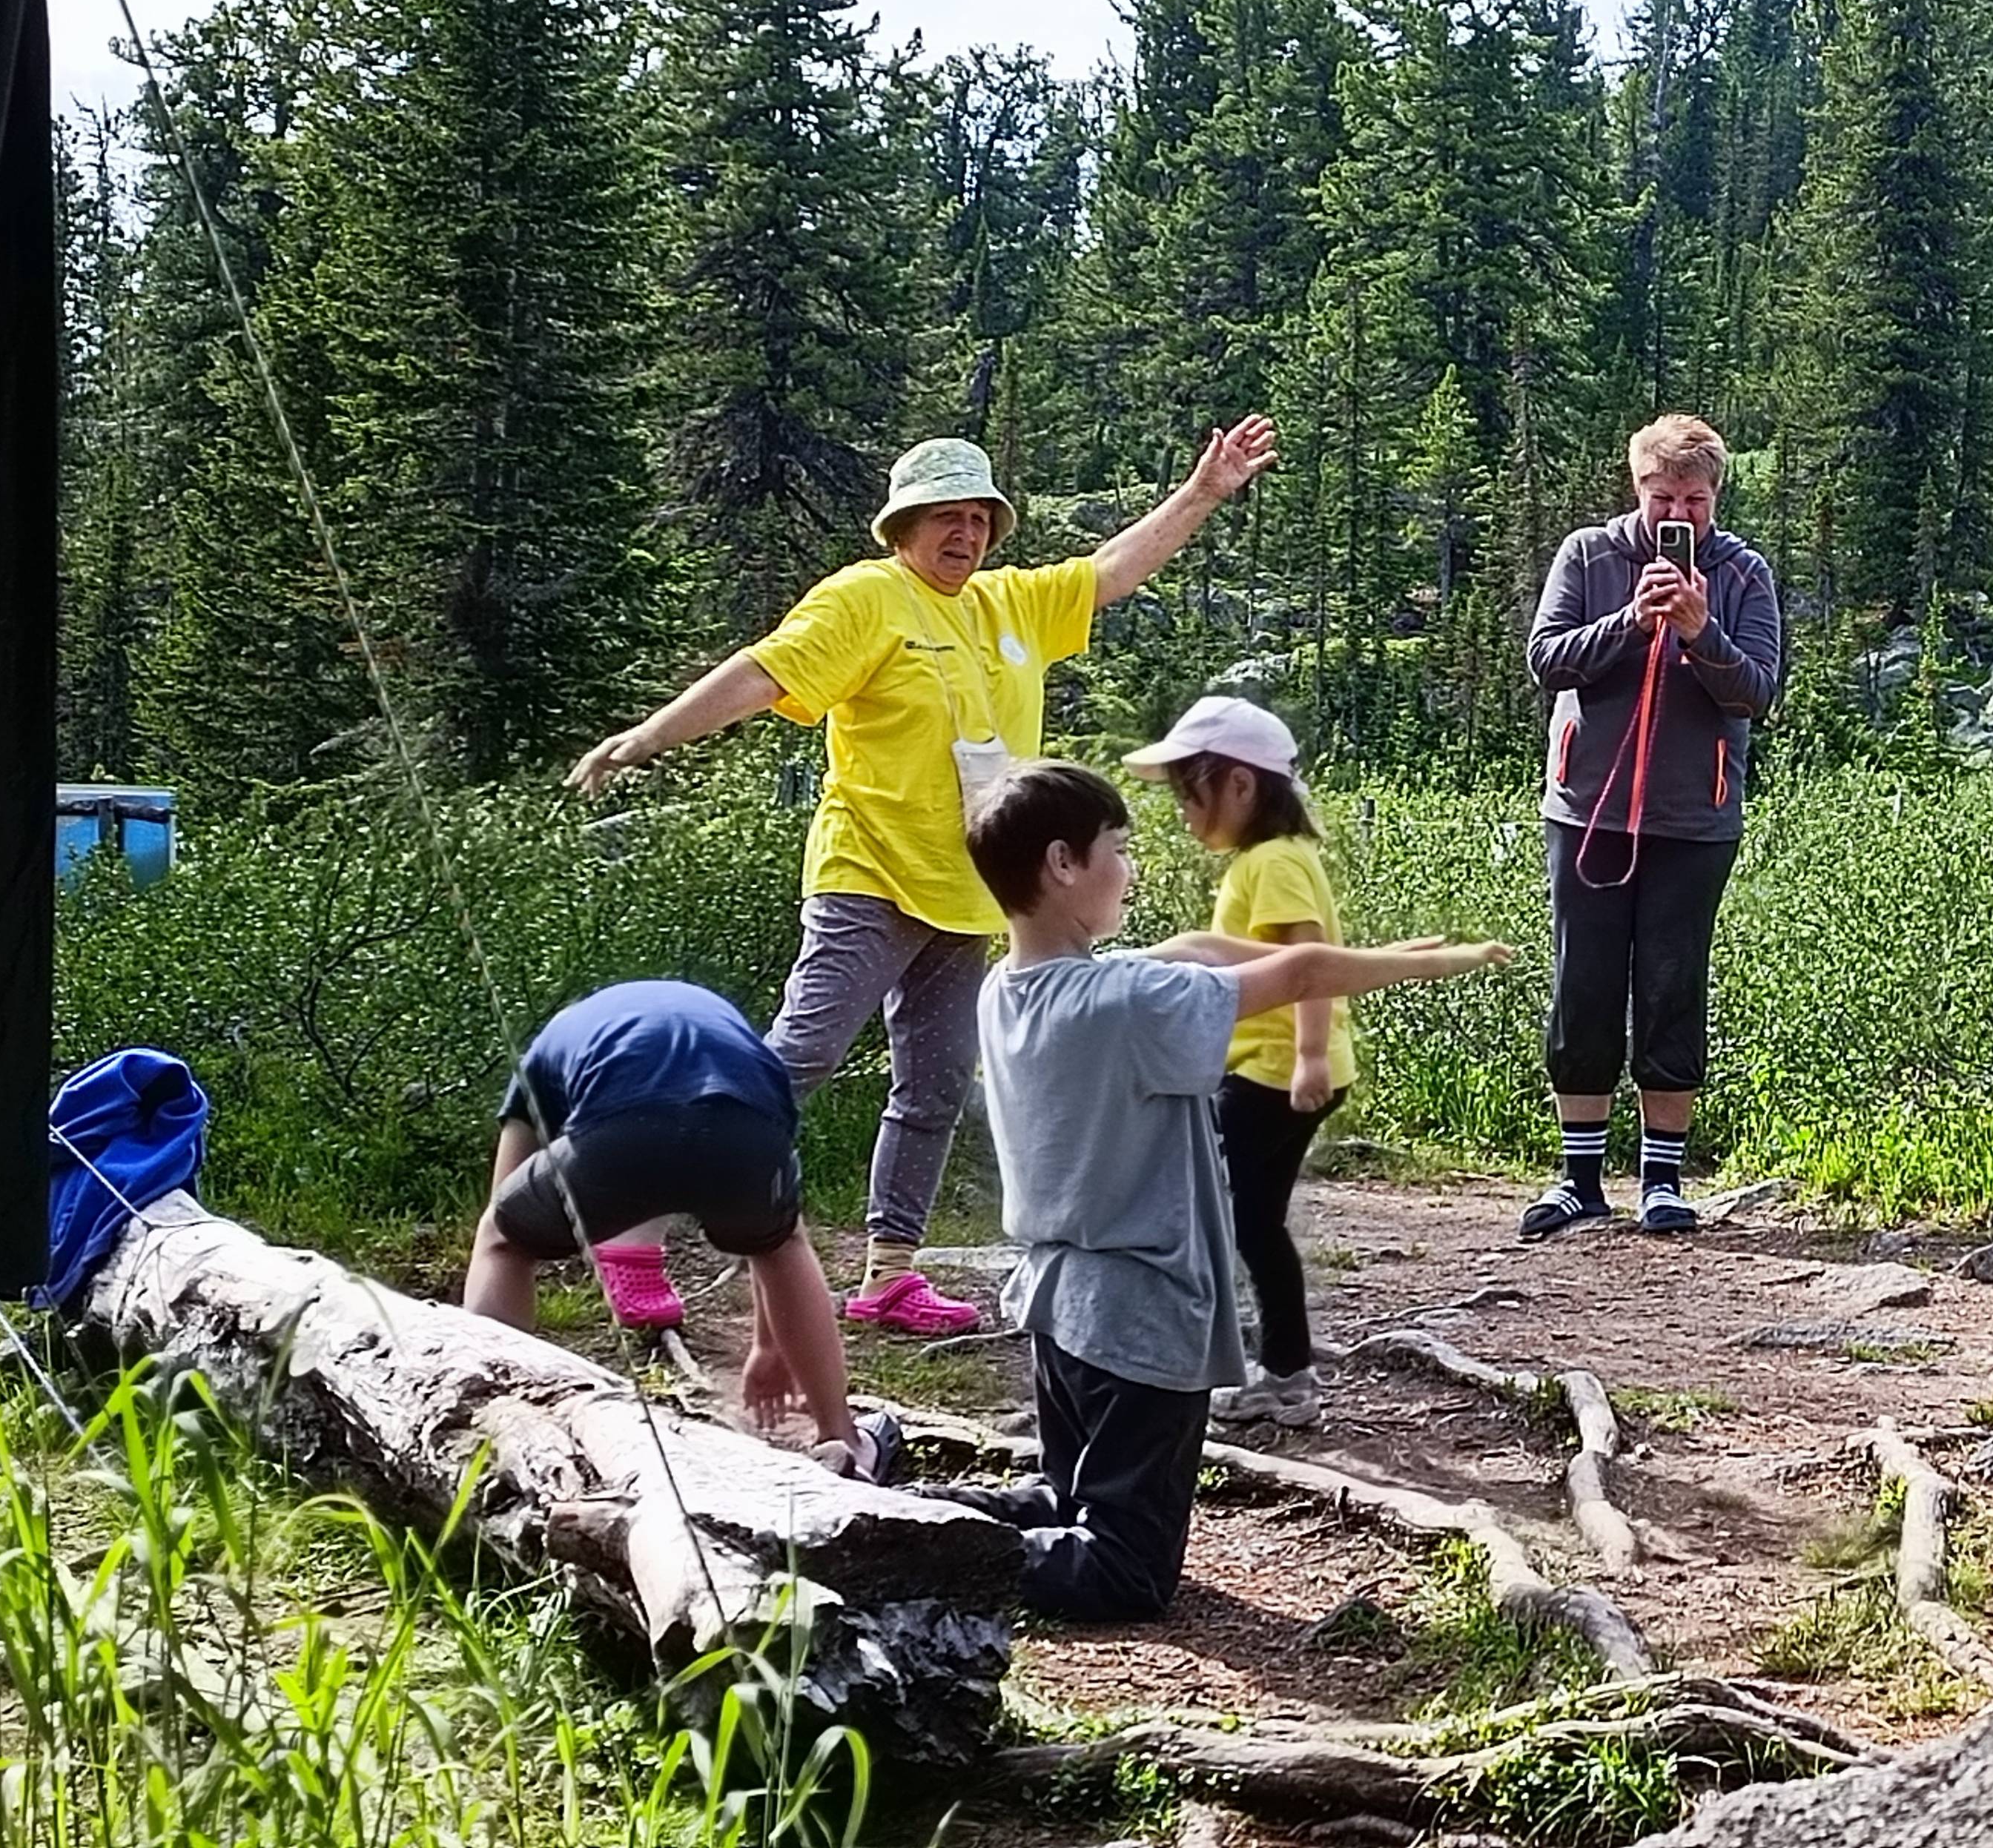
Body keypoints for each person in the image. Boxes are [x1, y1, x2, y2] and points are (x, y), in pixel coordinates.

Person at [563, 422, 1278, 1337]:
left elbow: (1109, 571)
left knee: (934, 1085)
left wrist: (1205, 491)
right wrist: (652, 734)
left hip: (971, 891)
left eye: (979, 517)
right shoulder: (868, 599)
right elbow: (763, 671)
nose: (966, 534)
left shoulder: (1009, 607)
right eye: (946, 515)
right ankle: (634, 1225)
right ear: (902, 525)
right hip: (868, 871)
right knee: (800, 1054)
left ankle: (889, 1275)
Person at [919, 760, 1509, 1620]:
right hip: (1136, 1318)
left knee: (1069, 1498)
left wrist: (1375, 958)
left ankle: (914, 1523)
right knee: (1125, 1570)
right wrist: (1433, 963)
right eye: (1117, 849)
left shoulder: (1006, 993)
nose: (1132, 866)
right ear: (1061, 864)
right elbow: (1297, 974)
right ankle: (921, 1554)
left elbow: (1195, 953)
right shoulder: (1127, 1002)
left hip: (1057, 1307)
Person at [1520, 414, 1785, 1240]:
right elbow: (1547, 659)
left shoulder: (1743, 574)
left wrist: (1701, 632)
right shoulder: (1589, 556)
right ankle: (1578, 1180)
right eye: (1663, 495)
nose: (1680, 512)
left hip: (1692, 821)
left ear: (1716, 497)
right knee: (1583, 988)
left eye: (1695, 499)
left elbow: (1757, 692)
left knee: (1672, 990)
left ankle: (1663, 1180)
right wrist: (1631, 624)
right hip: (1587, 810)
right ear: (1636, 489)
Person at [463, 980, 876, 1477]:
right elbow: (774, 1215)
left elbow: (505, 1199)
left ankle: (492, 1419)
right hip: (744, 1124)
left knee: (503, 1239)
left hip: (625, 1127)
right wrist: (768, 1348)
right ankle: (842, 1434)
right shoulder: (726, 1028)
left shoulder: (551, 1045)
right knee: (783, 1241)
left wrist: (518, 1230)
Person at [1124, 696, 1347, 1430]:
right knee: (1253, 1221)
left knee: (1215, 1216)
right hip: (1270, 1067)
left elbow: (1308, 963)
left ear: (1241, 785)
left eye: (1192, 795)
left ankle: (1215, 1365)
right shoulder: (1268, 861)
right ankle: (1286, 1373)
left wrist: (1309, 1056)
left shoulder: (1275, 864)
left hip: (1271, 1072)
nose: (1186, 815)